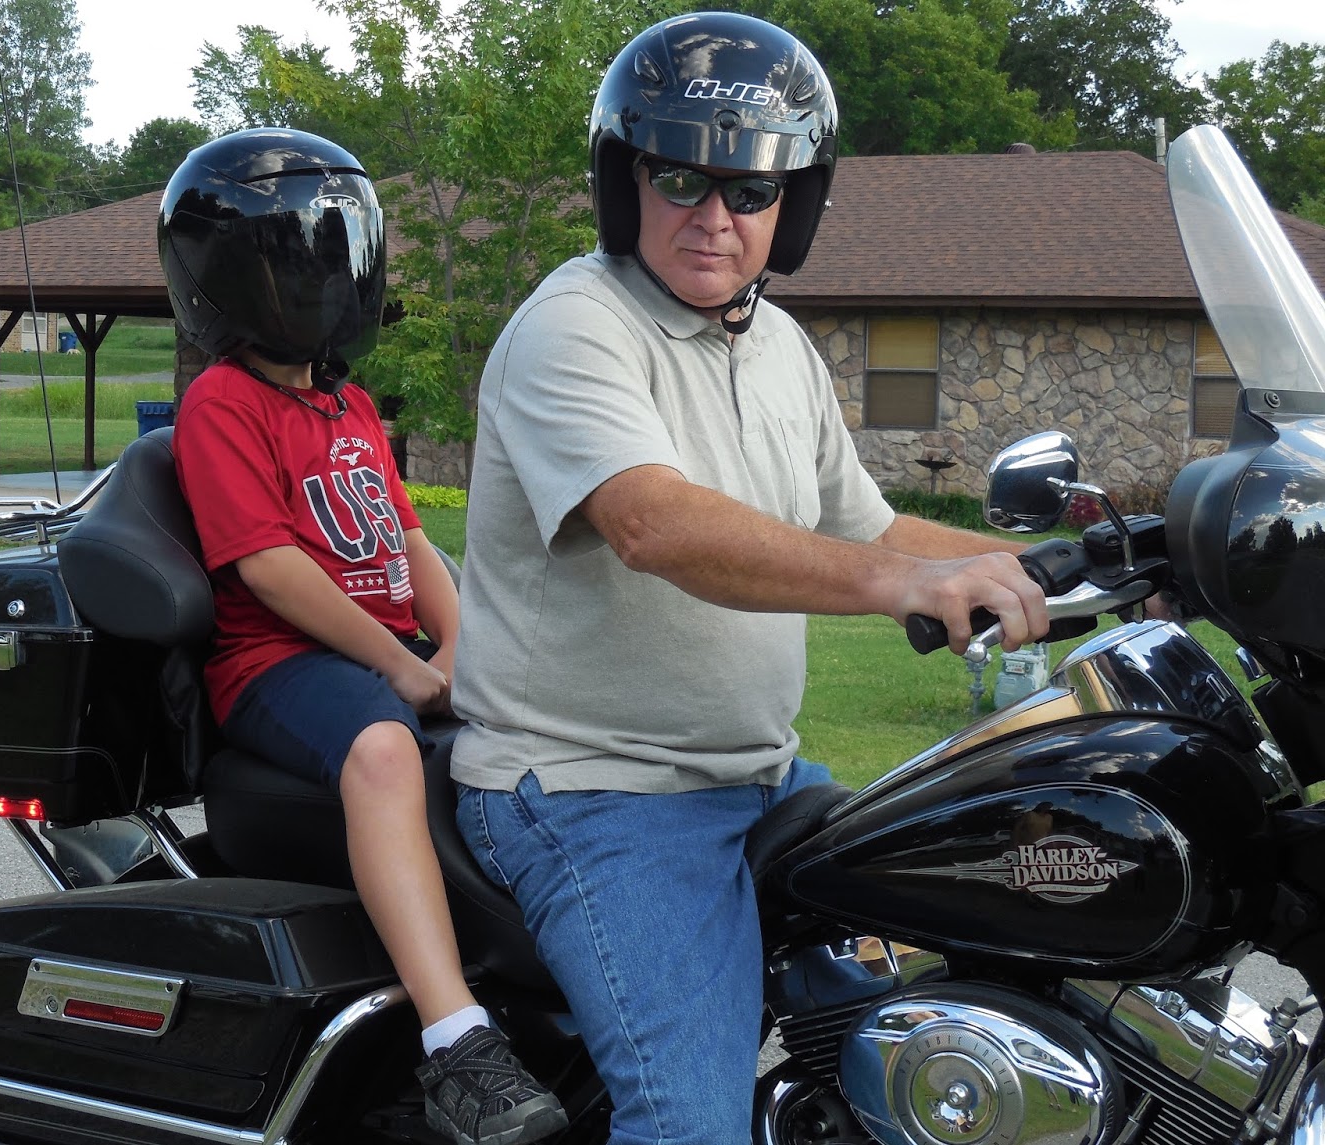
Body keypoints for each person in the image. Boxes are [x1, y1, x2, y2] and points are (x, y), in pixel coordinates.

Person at [449, 13, 1049, 1145]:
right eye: (679, 175)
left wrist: (1067, 565)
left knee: (965, 971)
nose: (713, 216)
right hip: (597, 792)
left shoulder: (776, 347)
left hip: (757, 777)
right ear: (626, 181)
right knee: (691, 1124)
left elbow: (870, 524)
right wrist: (893, 584)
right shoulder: (573, 326)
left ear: (792, 205)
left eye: (749, 189)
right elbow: (654, 523)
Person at [158, 128, 567, 1145]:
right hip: (277, 664)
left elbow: (415, 543)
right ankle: (457, 1044)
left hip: (387, 655)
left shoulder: (349, 407)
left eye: (332, 258)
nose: (323, 280)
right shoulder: (222, 404)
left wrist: (460, 644)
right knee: (386, 750)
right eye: (298, 262)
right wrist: (398, 668)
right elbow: (269, 567)